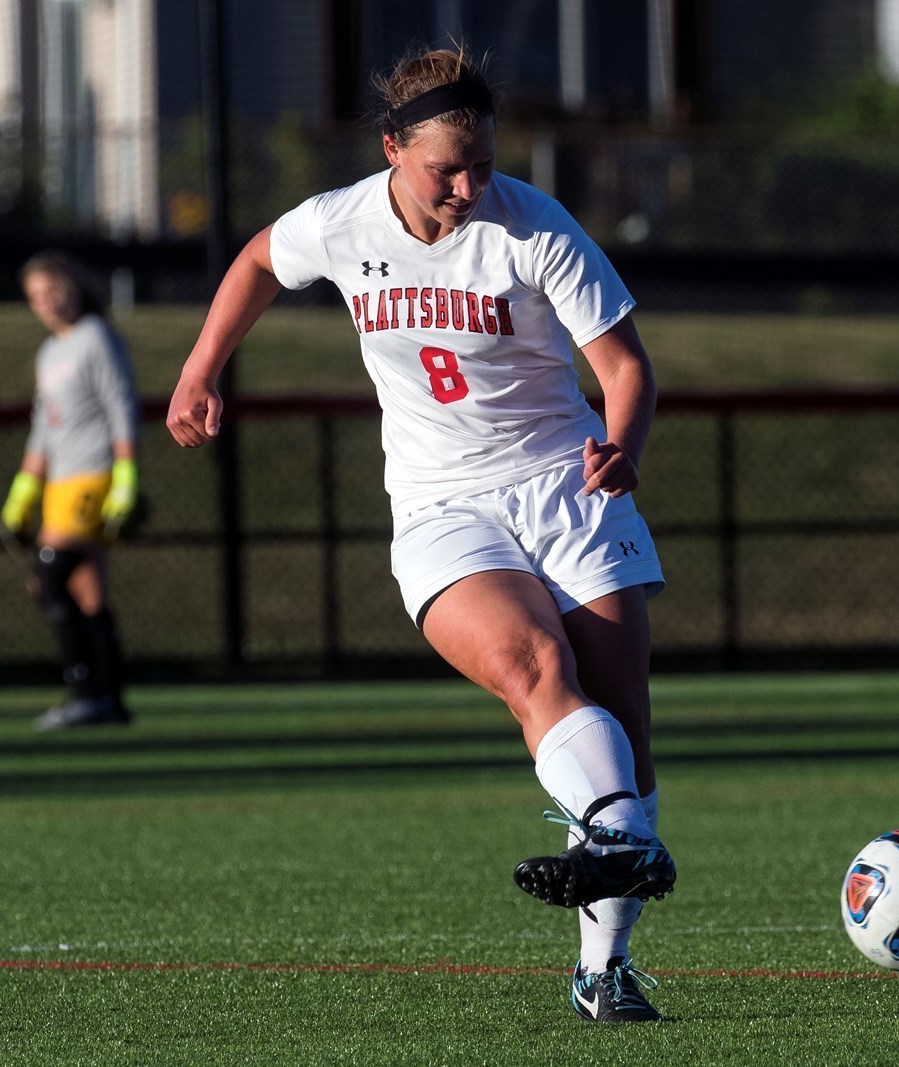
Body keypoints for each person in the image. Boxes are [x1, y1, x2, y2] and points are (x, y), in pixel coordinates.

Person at [165, 46, 675, 1022]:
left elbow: (624, 369)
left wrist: (625, 444)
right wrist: (201, 368)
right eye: (447, 166)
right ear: (393, 147)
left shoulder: (535, 228)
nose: (469, 182)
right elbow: (258, 259)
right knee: (534, 667)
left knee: (623, 727)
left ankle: (601, 966)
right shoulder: (343, 221)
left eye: (482, 161)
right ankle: (615, 840)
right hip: (443, 504)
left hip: (568, 491)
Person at [0, 251, 141, 731]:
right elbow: (43, 427)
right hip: (59, 480)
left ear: (73, 288)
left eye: (52, 291)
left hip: (93, 473)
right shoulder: (50, 352)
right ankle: (110, 699)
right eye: (35, 297)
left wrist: (126, 475)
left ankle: (84, 693)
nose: (45, 303)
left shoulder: (95, 339)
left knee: (48, 576)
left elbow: (121, 406)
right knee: (87, 597)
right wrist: (24, 489)